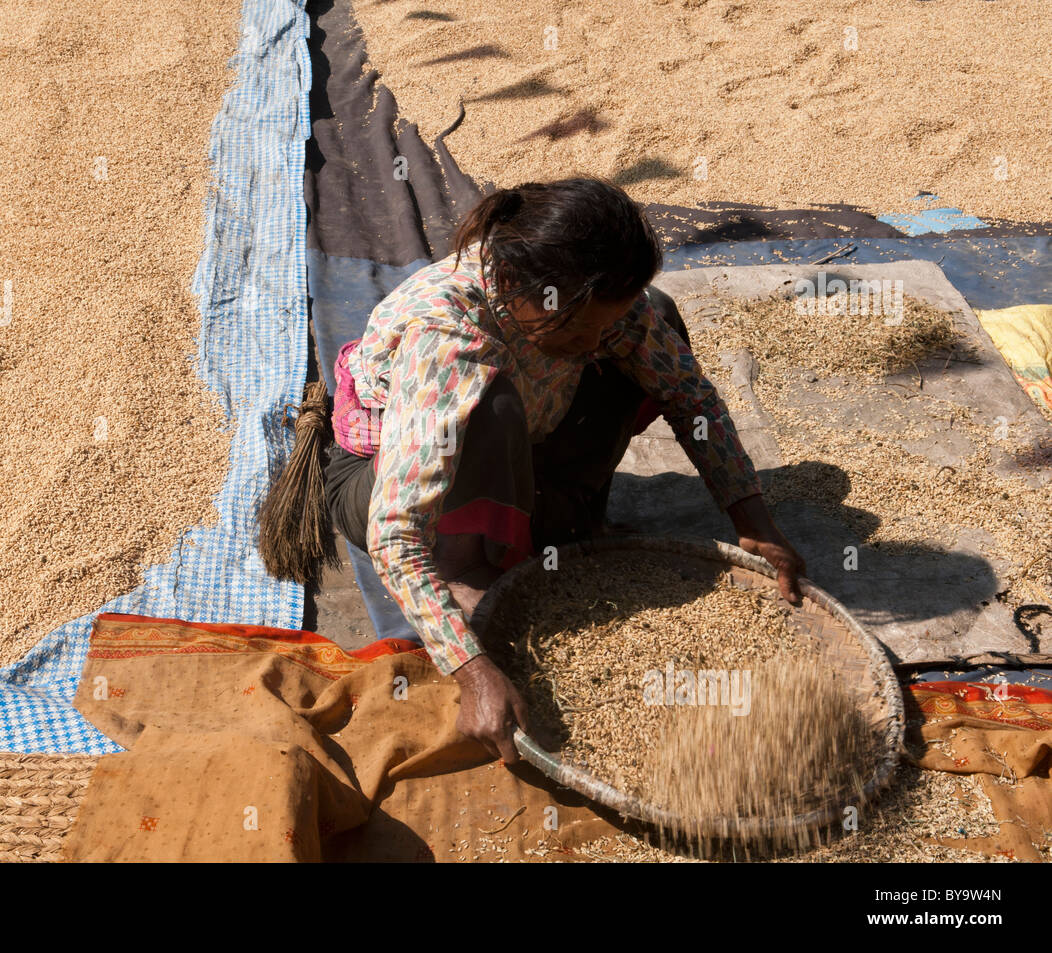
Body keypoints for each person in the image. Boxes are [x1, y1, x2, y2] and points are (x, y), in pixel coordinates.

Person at [322, 178, 807, 765]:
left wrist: (751, 515)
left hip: (526, 443)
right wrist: (472, 672)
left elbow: (690, 397)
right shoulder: (445, 337)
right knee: (491, 405)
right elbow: (396, 534)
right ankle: (468, 569)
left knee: (657, 321)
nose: (594, 342)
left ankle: (559, 516)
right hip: (390, 482)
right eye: (577, 329)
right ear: (508, 287)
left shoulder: (589, 307)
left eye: (600, 326)